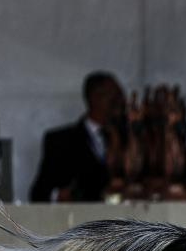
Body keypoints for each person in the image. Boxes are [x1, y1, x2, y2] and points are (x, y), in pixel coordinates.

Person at [30, 71, 125, 202]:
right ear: (95, 98)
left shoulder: (130, 138)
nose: (121, 102)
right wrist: (59, 195)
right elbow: (39, 193)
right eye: (115, 97)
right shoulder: (60, 141)